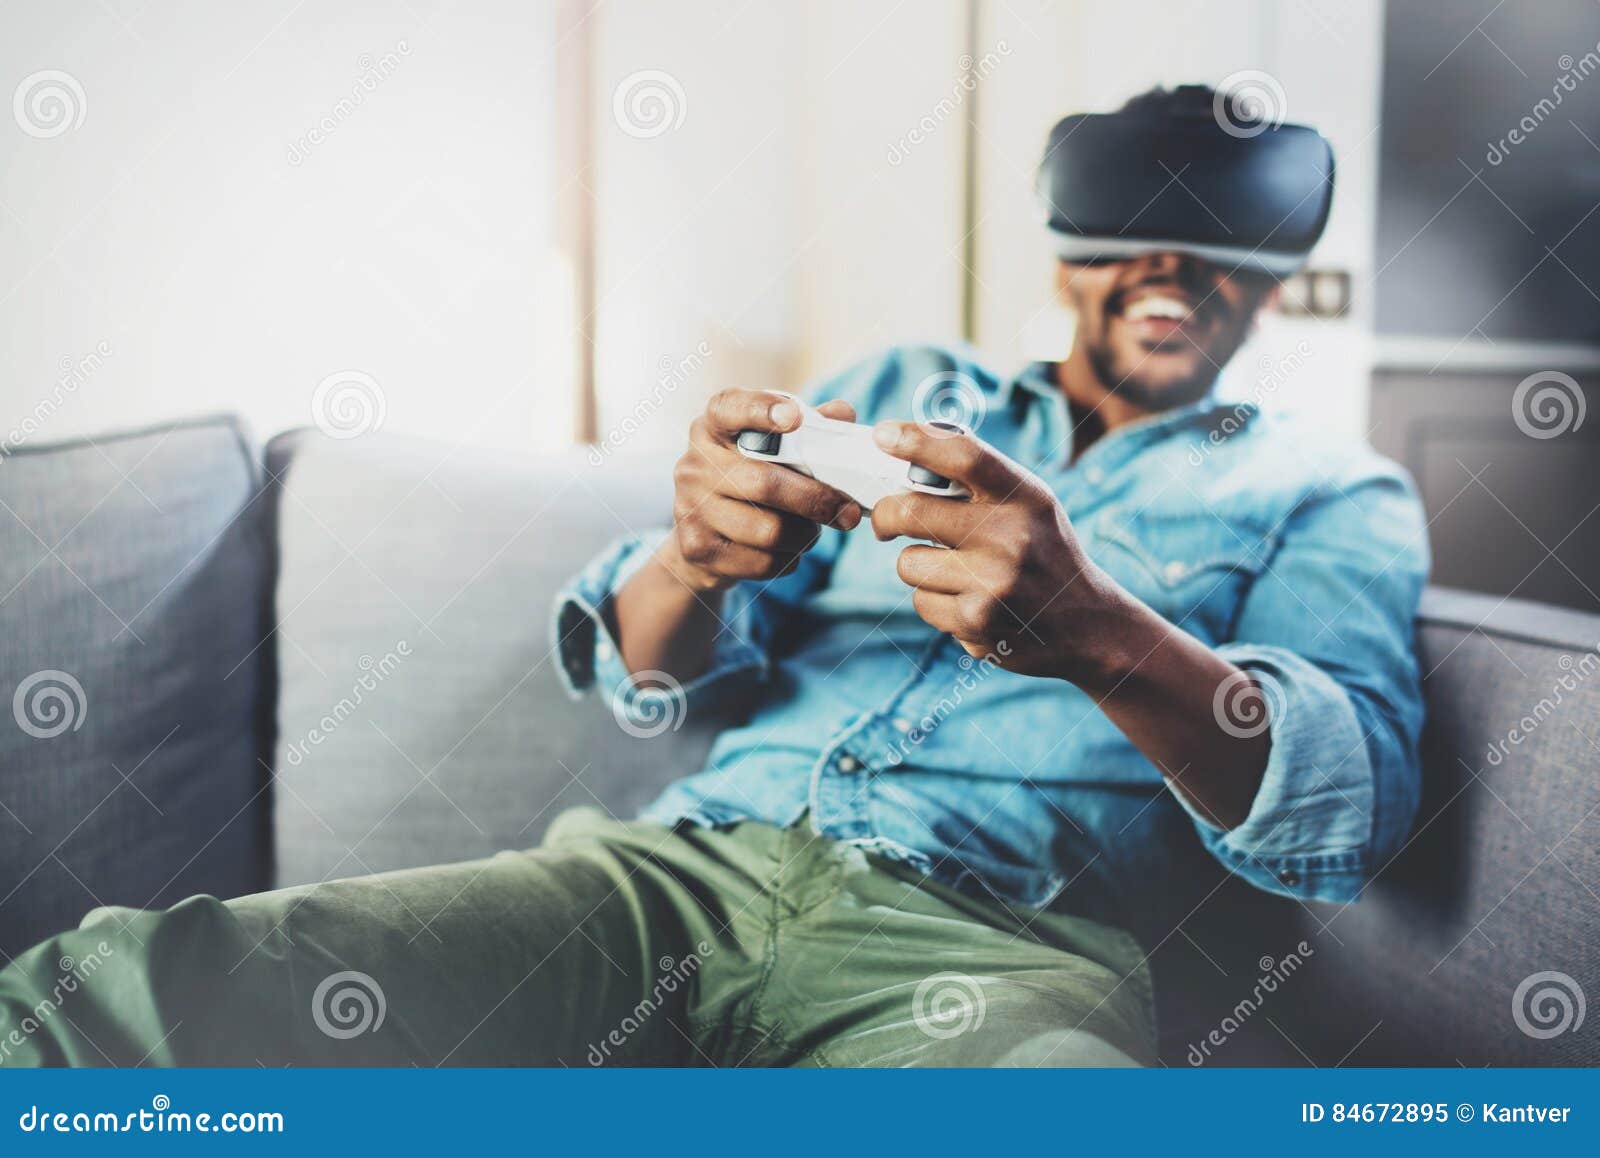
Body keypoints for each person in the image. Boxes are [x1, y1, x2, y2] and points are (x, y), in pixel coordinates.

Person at [0, 85, 1427, 1068]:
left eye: (1221, 245)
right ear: (1071, 262)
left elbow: (1344, 811)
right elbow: (654, 674)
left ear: (1276, 278)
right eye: (1132, 233)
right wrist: (692, 553)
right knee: (100, 1002)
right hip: (678, 876)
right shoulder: (901, 387)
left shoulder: (1327, 487)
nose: (1170, 264)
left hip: (992, 943)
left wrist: (1102, 635)